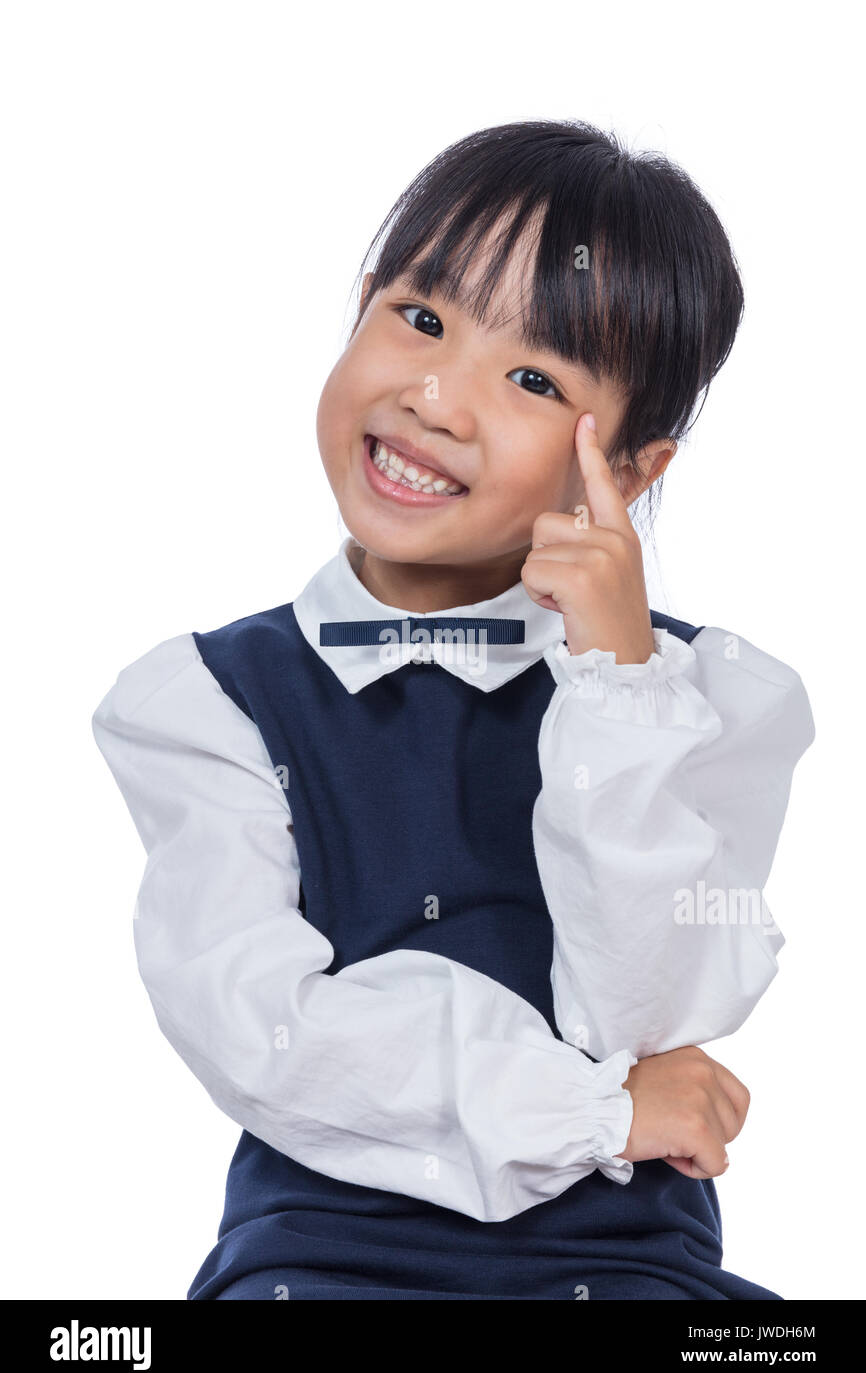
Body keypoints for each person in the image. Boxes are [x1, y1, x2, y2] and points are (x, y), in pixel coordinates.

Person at [92, 119, 815, 1300]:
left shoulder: (704, 702)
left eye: (533, 379)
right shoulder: (210, 706)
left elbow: (654, 1005)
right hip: (319, 1261)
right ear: (361, 302)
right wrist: (594, 1110)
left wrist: (616, 683)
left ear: (627, 472)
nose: (436, 399)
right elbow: (266, 1036)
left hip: (624, 1267)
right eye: (421, 321)